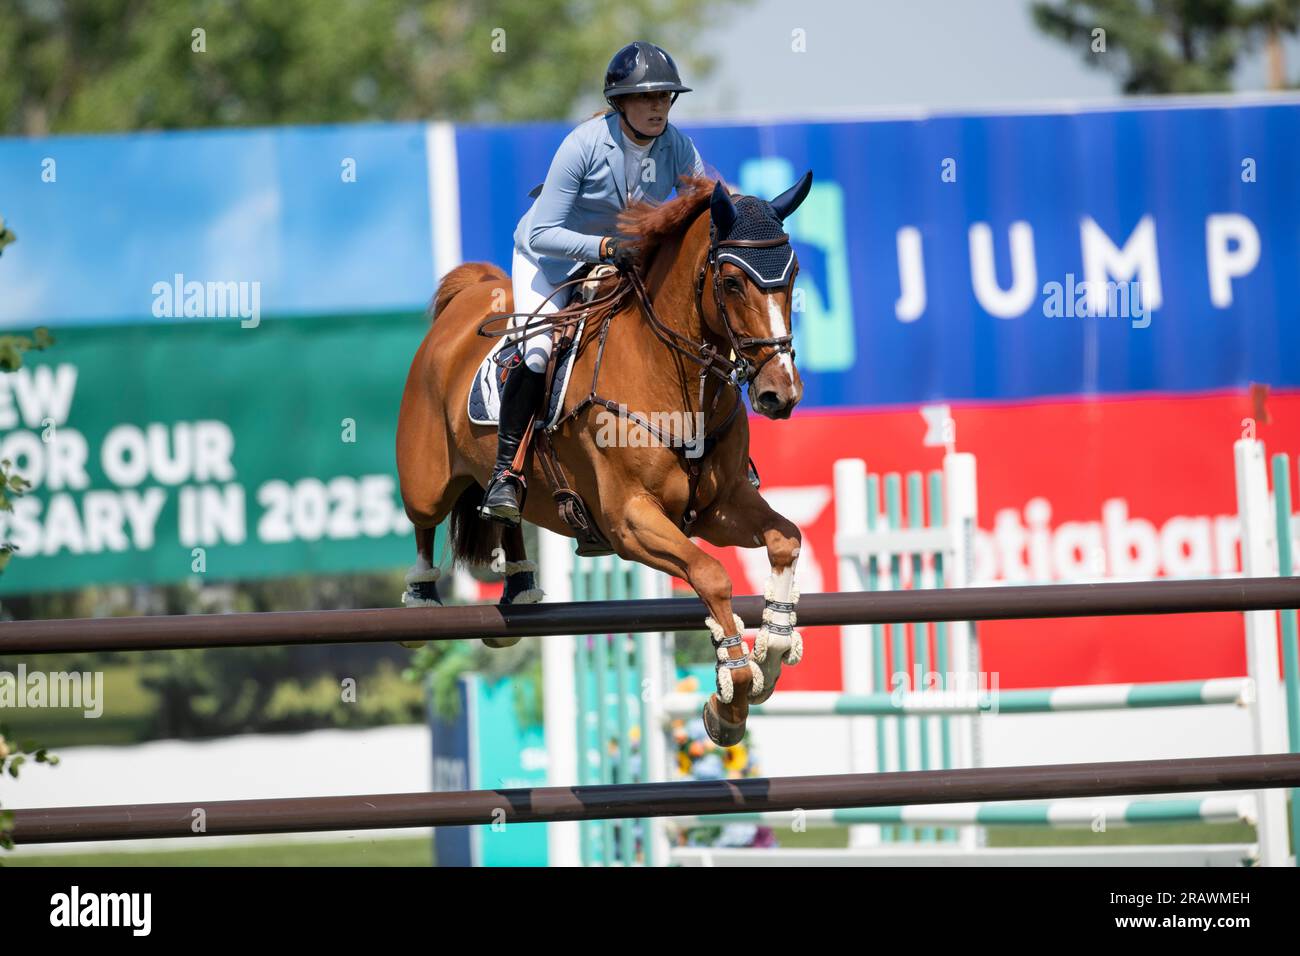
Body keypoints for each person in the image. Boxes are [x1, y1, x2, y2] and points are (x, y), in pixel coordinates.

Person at [479, 40, 708, 525]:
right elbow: (543, 233)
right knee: (539, 351)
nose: (657, 106)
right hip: (550, 261)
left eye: (665, 96)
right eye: (645, 97)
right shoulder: (583, 145)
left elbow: (703, 211)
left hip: (620, 265)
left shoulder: (679, 147)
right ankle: (507, 474)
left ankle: (719, 460)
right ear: (619, 103)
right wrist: (604, 249)